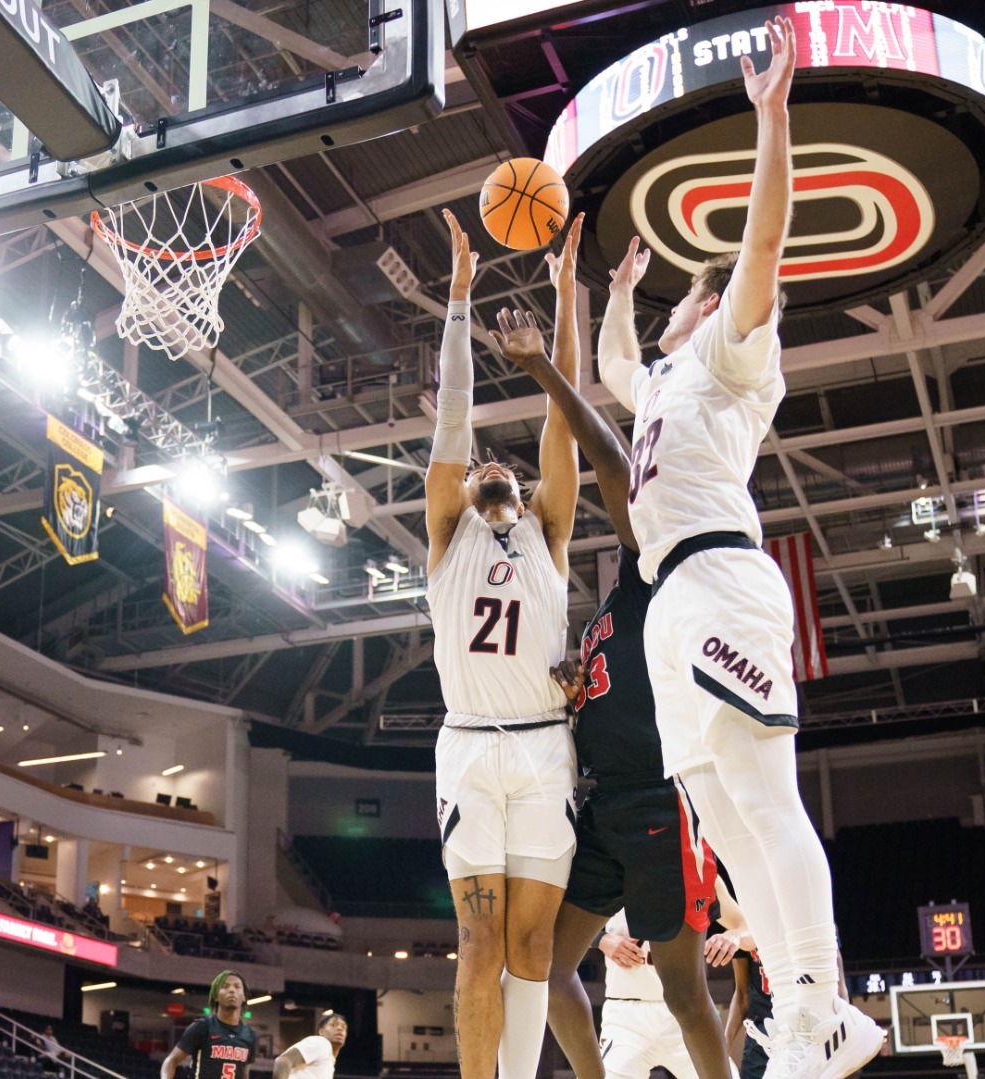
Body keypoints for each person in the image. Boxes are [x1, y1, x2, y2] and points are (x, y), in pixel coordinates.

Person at [593, 17, 879, 1079]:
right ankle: (803, 1010)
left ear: (709, 306)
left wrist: (772, 122)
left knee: (761, 795)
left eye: (680, 294)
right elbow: (614, 370)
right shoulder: (664, 380)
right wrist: (615, 295)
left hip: (720, 573)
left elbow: (760, 248)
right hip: (670, 597)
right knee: (716, 808)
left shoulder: (728, 349)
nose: (671, 307)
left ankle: (820, 1004)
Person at [487, 305, 730, 1079]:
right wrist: (576, 695)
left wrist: (541, 368)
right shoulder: (617, 605)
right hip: (600, 805)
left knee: (683, 991)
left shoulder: (661, 566)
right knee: (539, 965)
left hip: (662, 798)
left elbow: (607, 455)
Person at [426, 206, 584, 1079]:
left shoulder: (546, 532)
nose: (487, 462)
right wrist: (458, 297)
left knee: (533, 946)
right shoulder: (447, 533)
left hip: (542, 748)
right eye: (477, 465)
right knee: (478, 941)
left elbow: (564, 419)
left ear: (520, 492)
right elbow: (453, 417)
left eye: (503, 466)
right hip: (468, 749)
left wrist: (565, 297)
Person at [159, 971, 254, 1079]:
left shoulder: (249, 1035)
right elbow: (171, 1060)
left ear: (244, 996)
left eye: (237, 987)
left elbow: (245, 1074)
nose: (232, 990)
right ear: (216, 996)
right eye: (225, 986)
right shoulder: (201, 1027)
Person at [271, 1013, 345, 1079]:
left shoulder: (329, 1060)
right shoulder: (321, 1042)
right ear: (321, 1031)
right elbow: (283, 1061)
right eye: (333, 1025)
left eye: (344, 1027)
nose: (340, 1028)